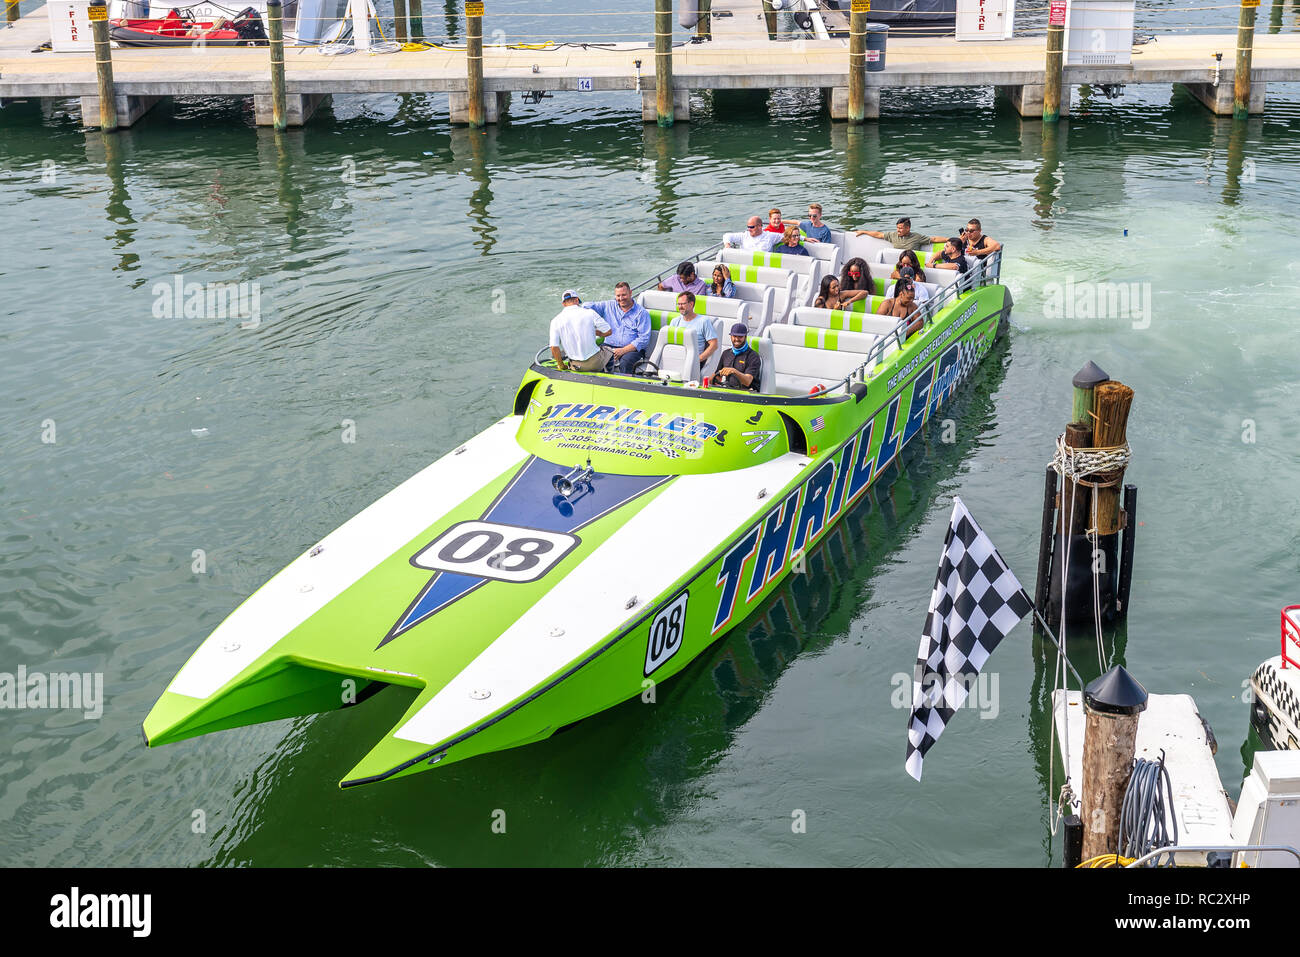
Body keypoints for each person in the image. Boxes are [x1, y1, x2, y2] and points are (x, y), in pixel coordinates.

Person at [587, 280, 652, 374]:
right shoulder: (608, 306)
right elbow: (588, 307)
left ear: (630, 293)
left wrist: (622, 350)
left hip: (632, 350)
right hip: (609, 346)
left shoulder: (642, 313)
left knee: (625, 362)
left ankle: (626, 386)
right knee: (596, 358)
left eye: (624, 295)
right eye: (618, 296)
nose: (621, 298)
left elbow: (643, 339)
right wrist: (577, 307)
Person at [549, 289, 613, 373]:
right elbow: (609, 331)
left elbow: (554, 347)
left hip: (576, 366)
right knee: (610, 351)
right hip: (595, 364)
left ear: (563, 304)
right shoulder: (590, 313)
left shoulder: (555, 320)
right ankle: (608, 375)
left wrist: (561, 365)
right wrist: (597, 333)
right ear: (576, 300)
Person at [668, 292, 718, 370]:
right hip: (676, 360)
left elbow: (714, 344)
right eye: (679, 304)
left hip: (693, 364)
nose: (680, 307)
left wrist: (697, 360)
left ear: (691, 304)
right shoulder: (675, 321)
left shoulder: (703, 321)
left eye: (683, 304)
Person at [711, 323, 762, 392]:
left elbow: (748, 381)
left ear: (745, 337)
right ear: (731, 336)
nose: (737, 339)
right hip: (728, 391)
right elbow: (717, 376)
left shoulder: (753, 356)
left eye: (740, 337)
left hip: (748, 394)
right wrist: (707, 381)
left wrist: (734, 371)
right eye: (734, 336)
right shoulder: (726, 353)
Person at [854, 216, 945, 251]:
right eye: (897, 228)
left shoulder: (917, 237)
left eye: (900, 228)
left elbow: (934, 239)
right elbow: (878, 234)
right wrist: (864, 231)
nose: (898, 230)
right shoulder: (893, 235)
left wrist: (950, 239)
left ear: (908, 228)